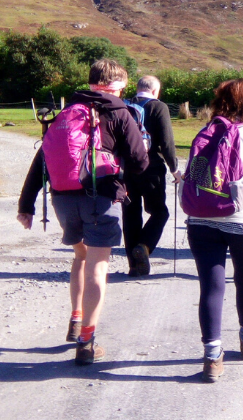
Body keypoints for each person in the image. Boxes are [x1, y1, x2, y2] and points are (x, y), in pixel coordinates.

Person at [17, 59, 149, 365]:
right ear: (120, 85)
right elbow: (140, 161)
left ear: (90, 82)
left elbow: (42, 159)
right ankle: (86, 341)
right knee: (97, 267)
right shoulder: (118, 112)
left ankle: (75, 320)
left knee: (80, 256)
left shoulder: (66, 112)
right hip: (100, 198)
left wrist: (26, 205)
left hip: (62, 199)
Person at [182, 79, 243, 383]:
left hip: (201, 219)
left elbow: (194, 174)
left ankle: (212, 356)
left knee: (210, 288)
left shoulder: (206, 131)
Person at [123, 75, 181, 278]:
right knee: (159, 212)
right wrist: (175, 169)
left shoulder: (124, 105)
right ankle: (144, 246)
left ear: (138, 88)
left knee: (131, 215)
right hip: (151, 168)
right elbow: (167, 142)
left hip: (126, 169)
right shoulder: (158, 107)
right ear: (155, 91)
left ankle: (133, 266)